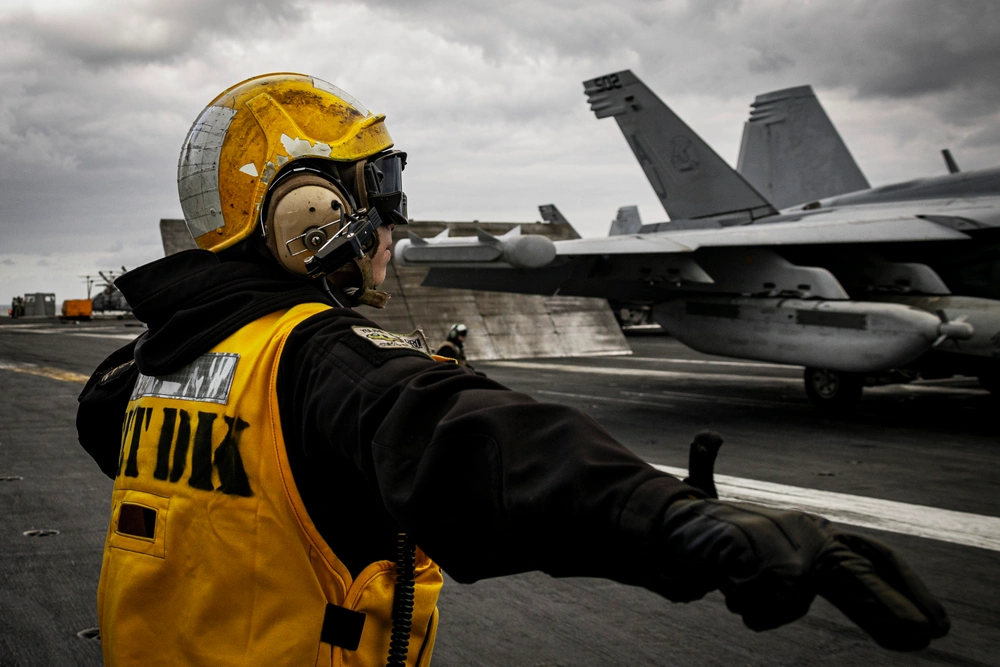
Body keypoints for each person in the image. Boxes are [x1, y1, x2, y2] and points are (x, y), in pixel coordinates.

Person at [76, 73, 949, 667]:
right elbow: (484, 445)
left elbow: (110, 423)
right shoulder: (313, 364)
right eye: (375, 196)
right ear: (314, 216)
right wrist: (682, 525)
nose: (393, 226)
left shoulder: (157, 366)